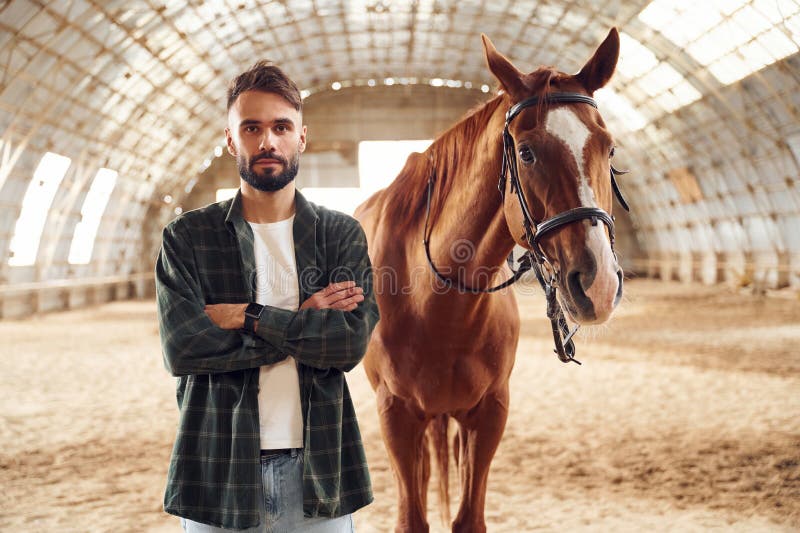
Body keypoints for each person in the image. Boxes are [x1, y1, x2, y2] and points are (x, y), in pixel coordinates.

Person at [155, 60, 379, 532]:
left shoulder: (340, 235)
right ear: (231, 139)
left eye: (281, 126)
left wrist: (248, 316)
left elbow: (346, 346)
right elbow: (185, 348)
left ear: (302, 136)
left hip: (319, 467)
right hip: (218, 462)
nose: (267, 141)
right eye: (251, 127)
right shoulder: (187, 237)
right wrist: (303, 321)